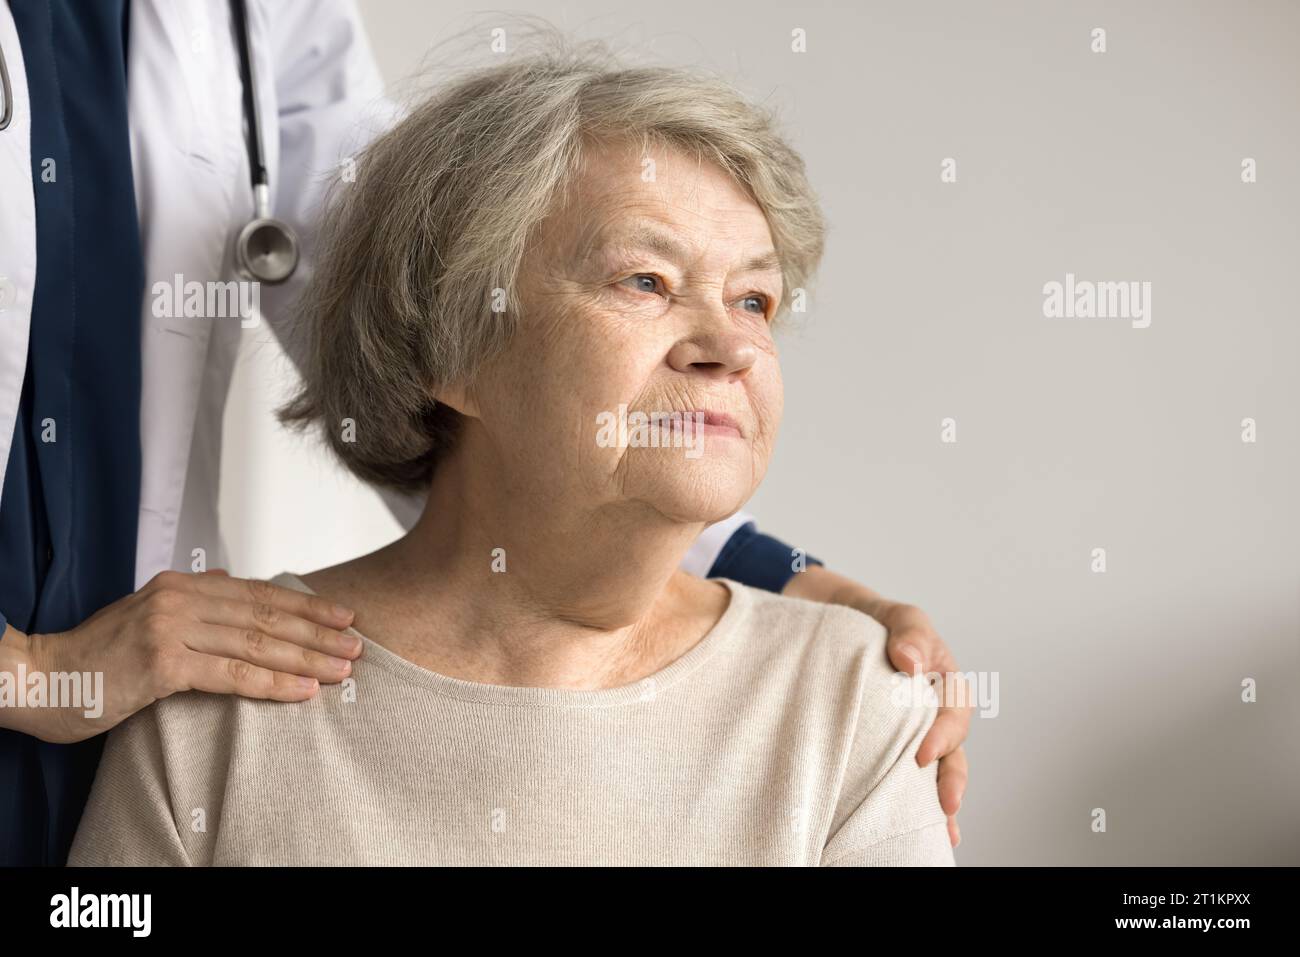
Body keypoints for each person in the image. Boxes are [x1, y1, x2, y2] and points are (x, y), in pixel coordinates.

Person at [0, 2, 967, 866]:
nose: (732, 346)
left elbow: (345, 231)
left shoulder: (851, 702)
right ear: (453, 349)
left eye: (755, 297)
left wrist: (783, 572)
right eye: (646, 280)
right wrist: (31, 671)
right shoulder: (214, 727)